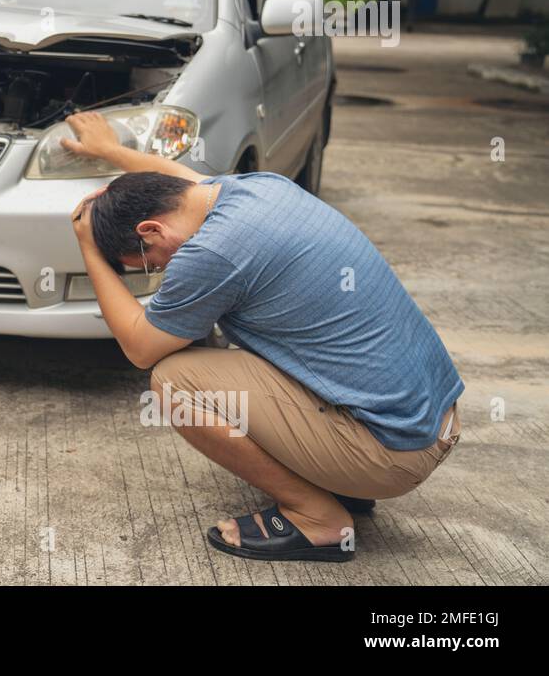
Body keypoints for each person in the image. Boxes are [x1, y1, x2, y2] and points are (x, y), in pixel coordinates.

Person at [63, 111, 463, 563]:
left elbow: (139, 348)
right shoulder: (257, 190)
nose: (162, 271)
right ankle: (338, 478)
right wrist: (109, 151)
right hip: (433, 421)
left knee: (174, 380)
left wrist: (87, 246)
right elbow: (182, 178)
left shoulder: (210, 252)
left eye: (150, 261)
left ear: (151, 230)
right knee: (242, 349)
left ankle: (318, 518)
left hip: (392, 454)